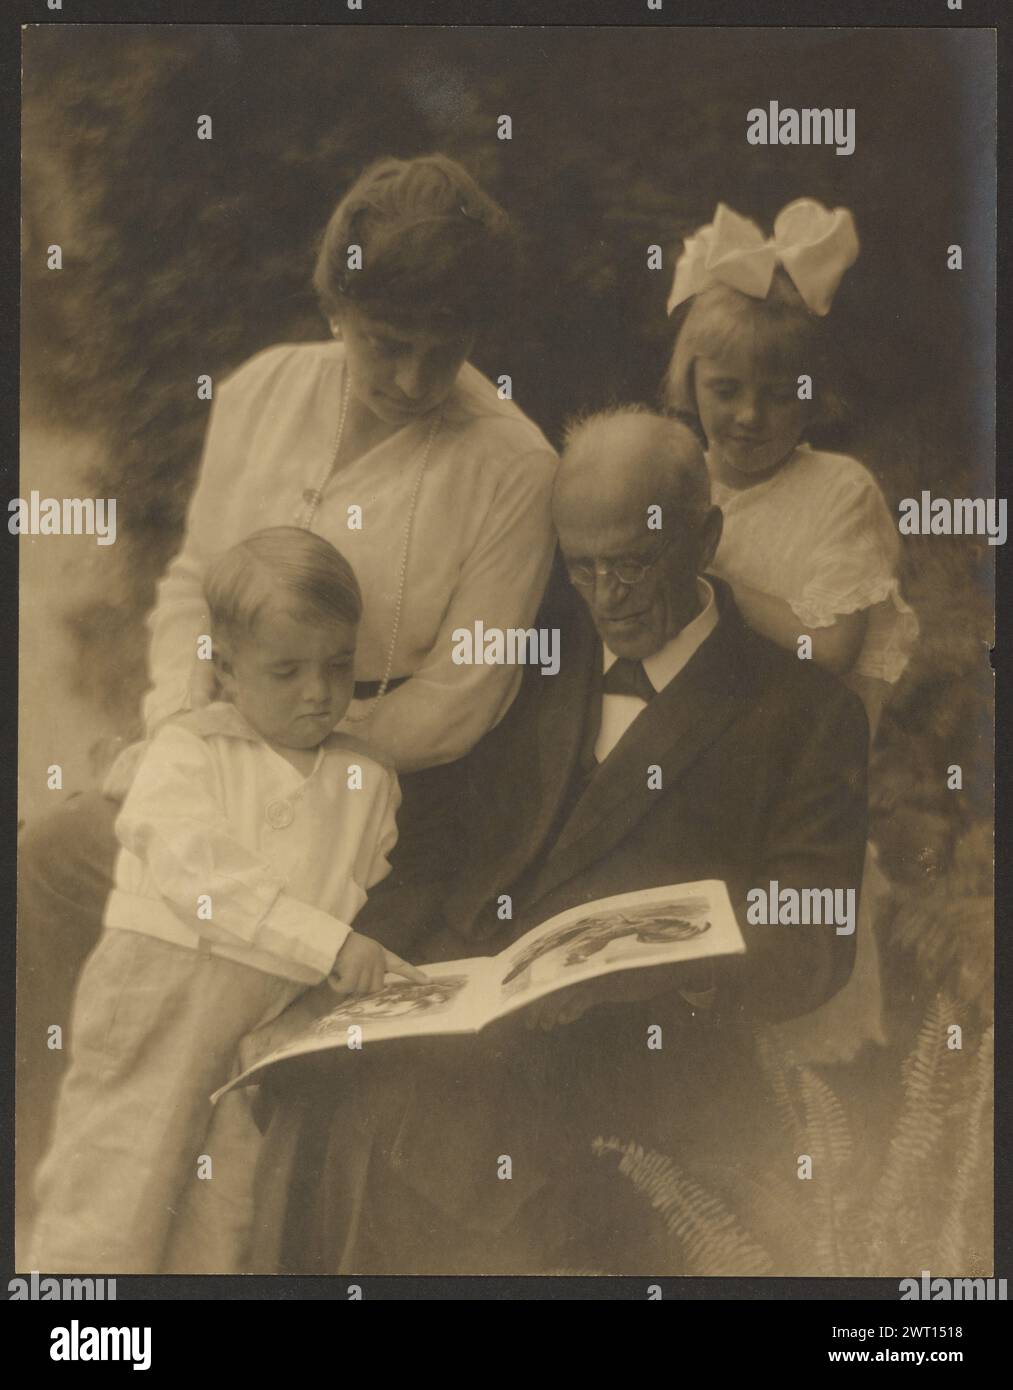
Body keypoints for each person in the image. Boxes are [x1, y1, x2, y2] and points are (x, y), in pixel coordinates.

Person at [16, 154, 556, 1250]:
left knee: (221, 956)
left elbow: (468, 687)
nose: (407, 377)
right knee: (59, 857)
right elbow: (189, 583)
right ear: (335, 308)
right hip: (217, 742)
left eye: (437, 349)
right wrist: (185, 723)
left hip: (374, 794)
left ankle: (189, 1237)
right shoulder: (264, 389)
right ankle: (64, 1190)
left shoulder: (509, 463)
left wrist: (297, 734)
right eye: (380, 343)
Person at [250, 409, 869, 1275]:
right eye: (582, 567)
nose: (607, 596)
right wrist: (359, 964)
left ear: (705, 538)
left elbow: (810, 942)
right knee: (312, 1090)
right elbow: (436, 846)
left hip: (630, 1058)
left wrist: (661, 969)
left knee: (425, 1142)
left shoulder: (804, 715)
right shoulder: (534, 656)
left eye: (634, 562)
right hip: (454, 1003)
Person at [28, 528, 427, 1275]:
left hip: (270, 1010)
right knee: (119, 1185)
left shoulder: (368, 778)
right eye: (286, 671)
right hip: (167, 988)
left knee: (224, 1209)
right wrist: (327, 945)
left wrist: (355, 970)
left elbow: (358, 892)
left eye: (338, 665)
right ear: (226, 670)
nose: (318, 691)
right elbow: (197, 875)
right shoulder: (188, 752)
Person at [662, 198, 918, 1062]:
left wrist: (705, 580)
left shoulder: (835, 490)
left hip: (800, 792)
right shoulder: (683, 480)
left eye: (777, 397)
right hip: (698, 779)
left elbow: (831, 644)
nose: (746, 417)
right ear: (688, 381)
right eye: (723, 391)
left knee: (796, 1015)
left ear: (812, 398)